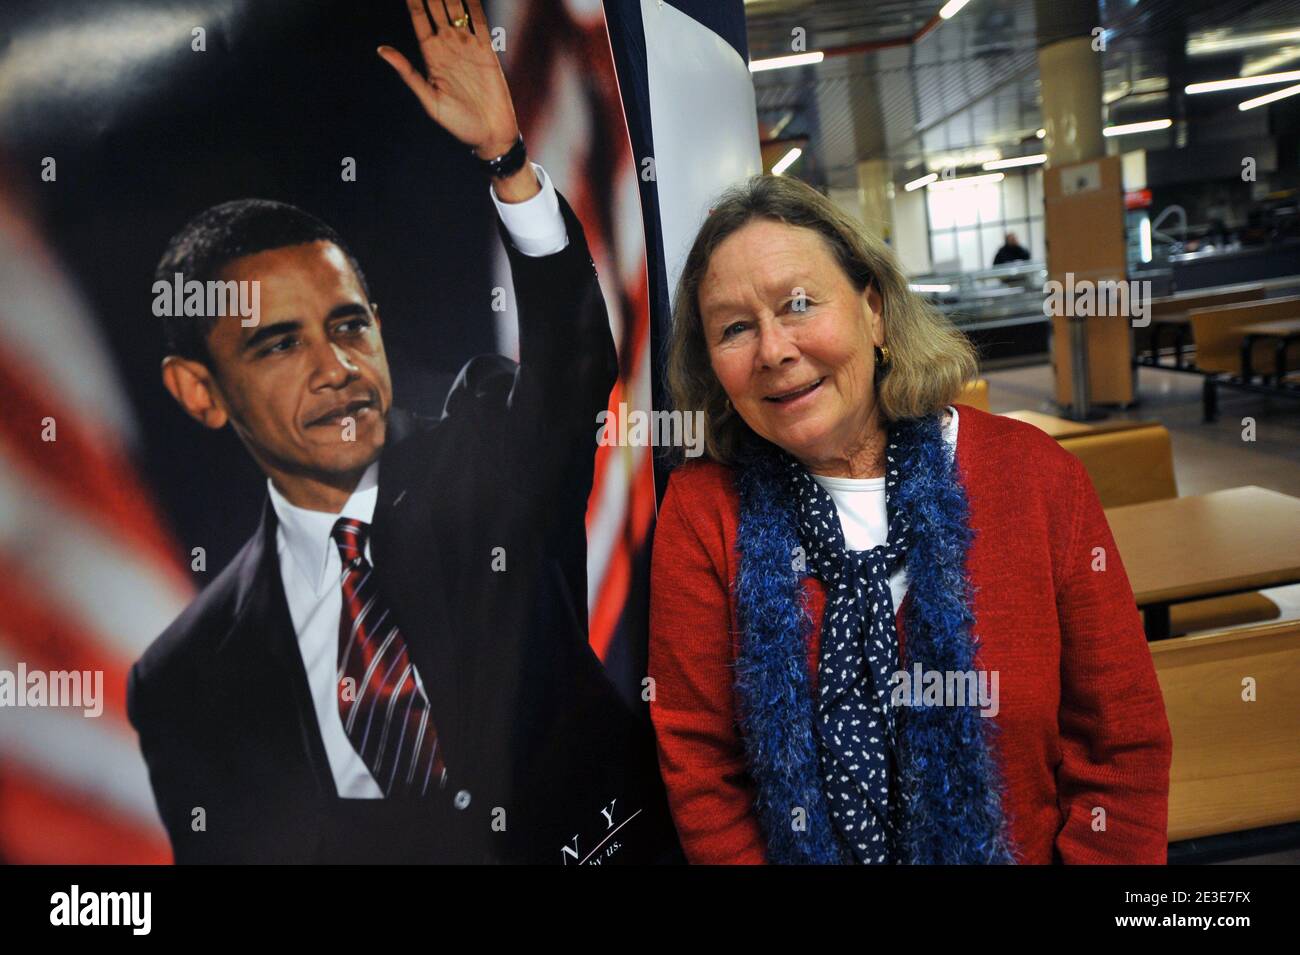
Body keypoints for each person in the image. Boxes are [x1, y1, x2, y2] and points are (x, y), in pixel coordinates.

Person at [128, 0, 677, 864]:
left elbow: (573, 369)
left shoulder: (486, 454)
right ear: (199, 390)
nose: (336, 365)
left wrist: (506, 160)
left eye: (349, 326)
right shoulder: (182, 678)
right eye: (279, 344)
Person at [649, 174, 1172, 864]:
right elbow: (704, 772)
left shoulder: (1037, 477)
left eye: (799, 303)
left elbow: (1120, 743)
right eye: (736, 327)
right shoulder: (703, 513)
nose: (772, 349)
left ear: (873, 309)